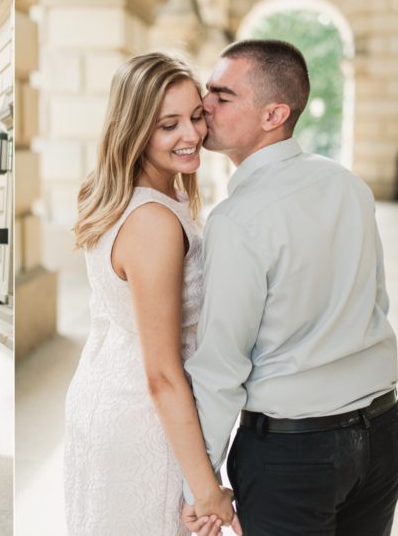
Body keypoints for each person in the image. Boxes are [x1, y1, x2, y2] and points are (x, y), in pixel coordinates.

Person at [182, 39, 398, 535]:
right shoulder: (348, 185)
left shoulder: (237, 220)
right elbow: (375, 304)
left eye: (222, 95)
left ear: (273, 113)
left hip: (294, 458)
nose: (204, 104)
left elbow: (221, 366)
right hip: (383, 434)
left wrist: (201, 486)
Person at [64, 53, 237, 536]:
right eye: (169, 125)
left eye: (196, 116)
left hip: (104, 391)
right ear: (135, 130)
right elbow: (162, 372)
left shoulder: (123, 194)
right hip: (144, 419)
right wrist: (206, 489)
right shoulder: (153, 222)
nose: (192, 134)